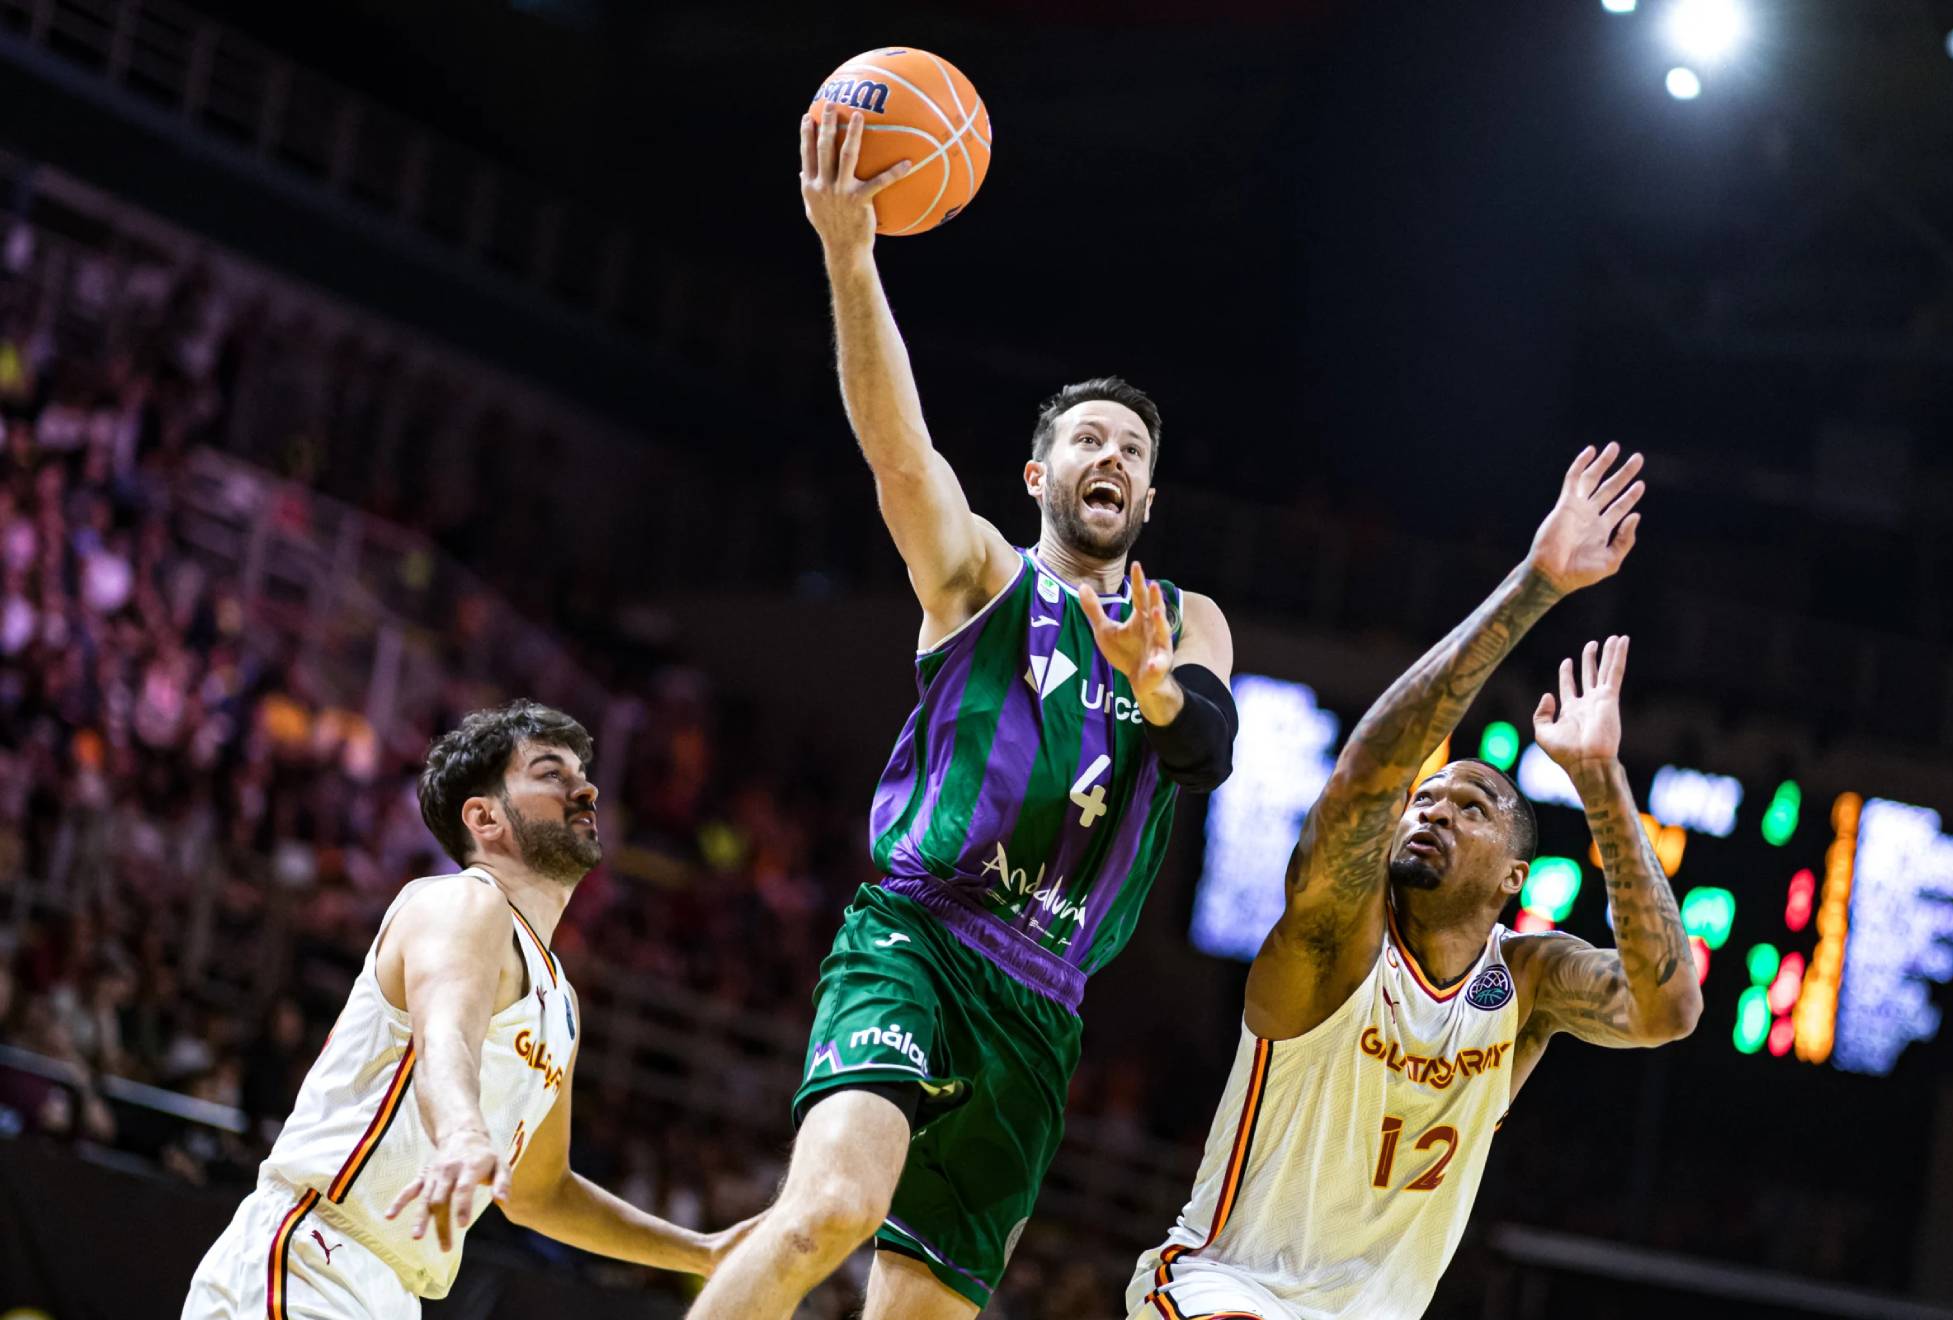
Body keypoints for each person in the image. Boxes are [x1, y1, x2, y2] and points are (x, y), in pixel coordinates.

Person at [685, 111, 1242, 1320]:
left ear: (1145, 496)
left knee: (928, 1312)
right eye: (1087, 437)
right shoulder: (981, 575)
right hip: (920, 936)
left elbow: (1207, 750)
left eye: (1133, 450)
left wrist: (1151, 685)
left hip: (1044, 1003)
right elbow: (897, 452)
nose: (1113, 455)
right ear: (1039, 475)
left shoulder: (1189, 621)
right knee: (829, 1209)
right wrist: (849, 257)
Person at [1128, 446, 1702, 1320]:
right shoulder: (1338, 935)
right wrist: (1535, 584)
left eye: (1468, 805)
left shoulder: (1531, 981)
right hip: (1226, 1288)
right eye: (1423, 798)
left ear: (1515, 876)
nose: (1428, 810)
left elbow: (1667, 1011)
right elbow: (1366, 778)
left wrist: (1599, 779)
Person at [184, 701, 753, 1318]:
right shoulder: (465, 903)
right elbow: (444, 1039)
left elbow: (541, 1193)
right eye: (550, 774)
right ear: (485, 817)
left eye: (581, 773)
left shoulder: (560, 1002)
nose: (584, 788)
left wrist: (704, 1252)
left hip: (390, 1291)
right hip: (311, 1254)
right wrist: (460, 1132)